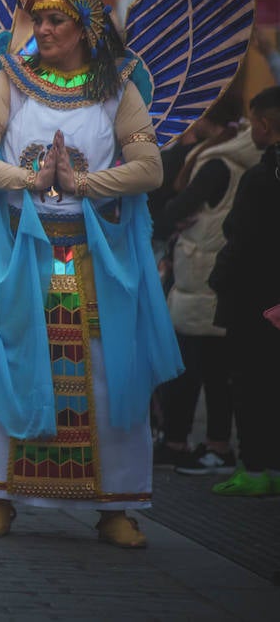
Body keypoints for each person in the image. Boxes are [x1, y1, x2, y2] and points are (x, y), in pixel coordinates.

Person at [0, 0, 175, 548]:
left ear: (84, 27)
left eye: (56, 20)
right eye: (38, 17)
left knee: (106, 371)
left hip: (94, 252)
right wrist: (29, 180)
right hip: (22, 253)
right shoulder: (11, 81)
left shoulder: (117, 86)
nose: (44, 29)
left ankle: (116, 504)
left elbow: (150, 168)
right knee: (14, 359)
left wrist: (83, 184)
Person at [152, 97, 255, 475]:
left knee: (187, 363)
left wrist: (164, 226)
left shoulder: (216, 162)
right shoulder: (244, 155)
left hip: (199, 272)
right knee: (216, 367)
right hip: (218, 271)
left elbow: (174, 210)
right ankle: (217, 445)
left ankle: (178, 440)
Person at [208, 86, 280, 496]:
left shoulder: (260, 177)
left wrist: (220, 279)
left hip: (254, 299)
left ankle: (253, 469)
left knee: (251, 385)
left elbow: (241, 236)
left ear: (265, 126)